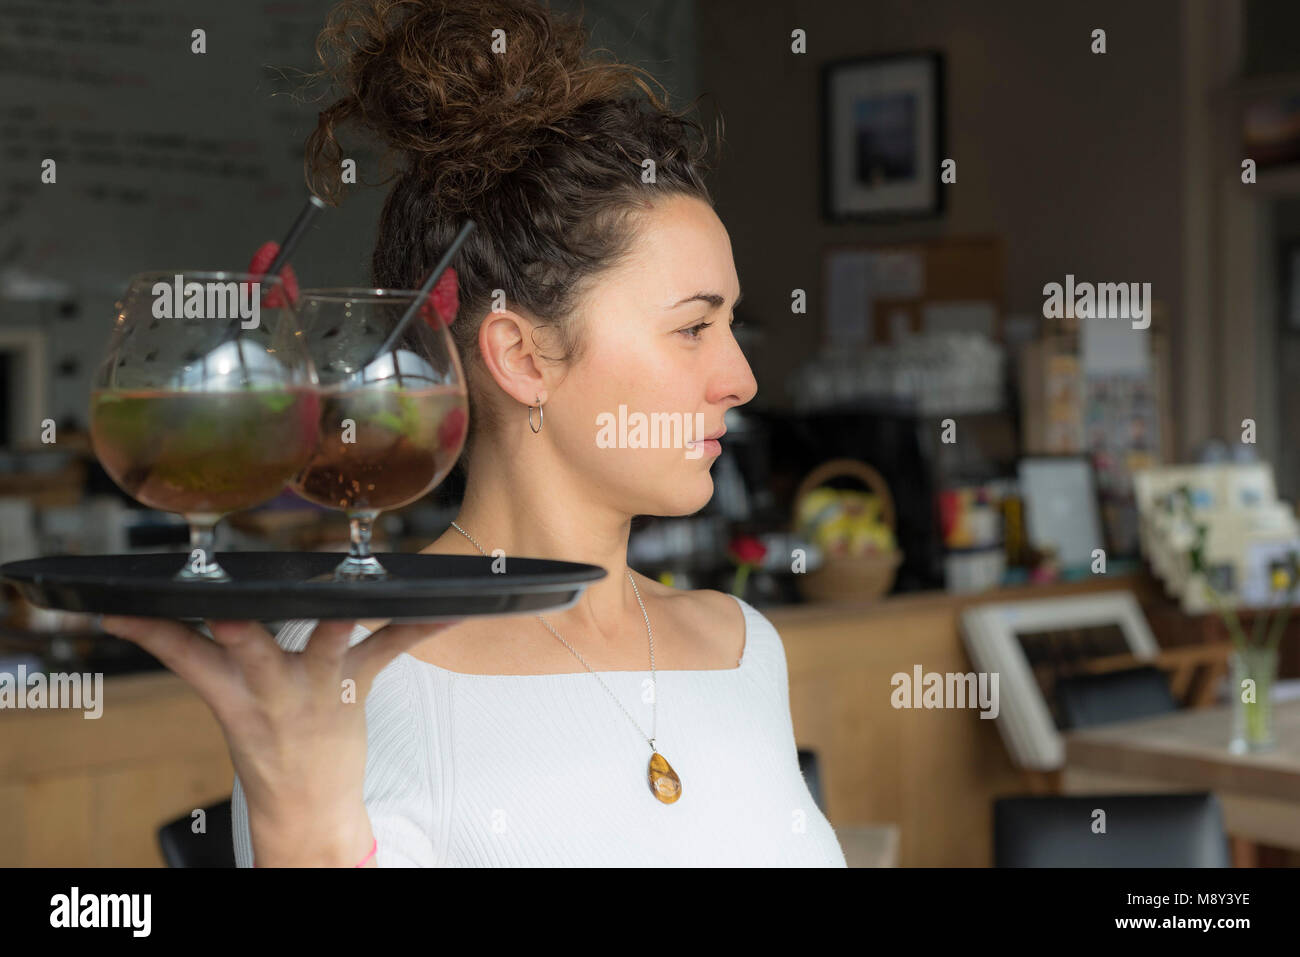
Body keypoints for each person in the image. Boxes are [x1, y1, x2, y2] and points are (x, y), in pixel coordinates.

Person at [102, 0, 846, 867]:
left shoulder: (743, 646)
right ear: (522, 358)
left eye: (731, 326)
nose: (742, 379)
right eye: (692, 328)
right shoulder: (351, 666)